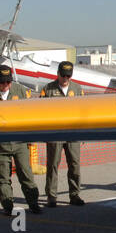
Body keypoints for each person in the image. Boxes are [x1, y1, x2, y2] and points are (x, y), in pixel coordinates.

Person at [0, 64, 42, 213]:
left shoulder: (21, 92)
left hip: (20, 142)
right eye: (3, 82)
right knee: (2, 177)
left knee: (26, 174)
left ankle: (33, 203)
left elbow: (30, 115)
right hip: (0, 143)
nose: (6, 85)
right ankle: (8, 206)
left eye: (9, 81)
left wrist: (32, 137)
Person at [41, 61, 84, 206]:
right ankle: (51, 196)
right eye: (63, 75)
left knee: (75, 164)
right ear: (58, 74)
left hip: (73, 133)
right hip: (55, 133)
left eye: (68, 76)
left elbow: (83, 111)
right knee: (53, 165)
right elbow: (40, 111)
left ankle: (74, 194)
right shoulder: (48, 89)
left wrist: (83, 132)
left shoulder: (77, 89)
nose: (65, 79)